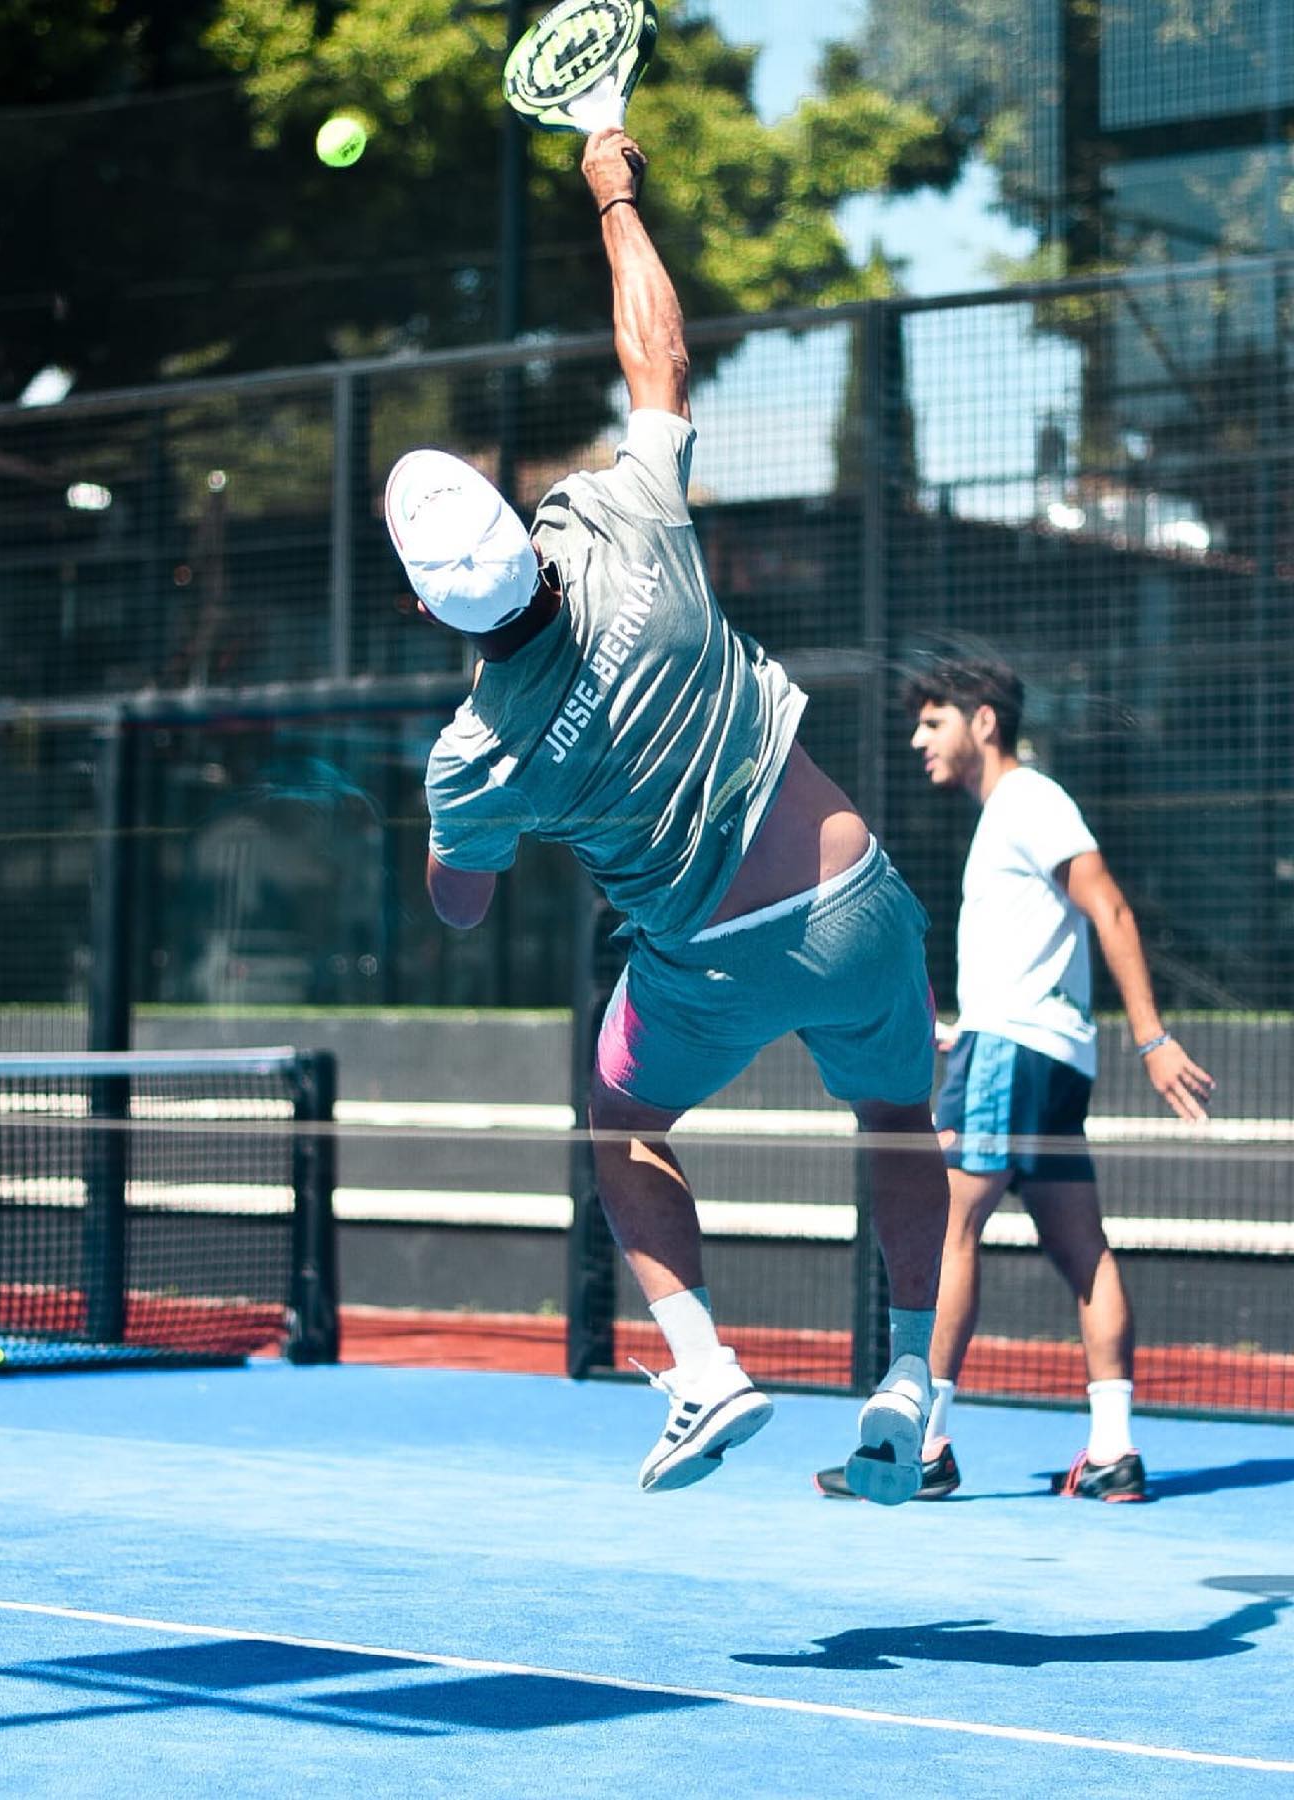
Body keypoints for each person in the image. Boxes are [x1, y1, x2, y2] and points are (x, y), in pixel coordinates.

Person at [383, 127, 949, 1504]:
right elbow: (659, 356)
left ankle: (702, 1367)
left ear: (424, 609)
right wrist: (615, 194)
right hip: (857, 893)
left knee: (617, 1119)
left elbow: (463, 903)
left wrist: (455, 828)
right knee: (897, 1124)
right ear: (522, 525)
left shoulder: (475, 753)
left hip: (702, 956)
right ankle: (914, 1390)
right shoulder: (625, 519)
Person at [818, 654, 1214, 1504]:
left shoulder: (1029, 800)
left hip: (1011, 1053)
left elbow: (1107, 905)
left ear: (983, 722)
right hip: (1043, 1055)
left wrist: (1153, 1040)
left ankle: (921, 1443)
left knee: (947, 1225)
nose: (919, 737)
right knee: (1082, 1249)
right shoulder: (1011, 815)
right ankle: (1114, 1450)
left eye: (934, 721)